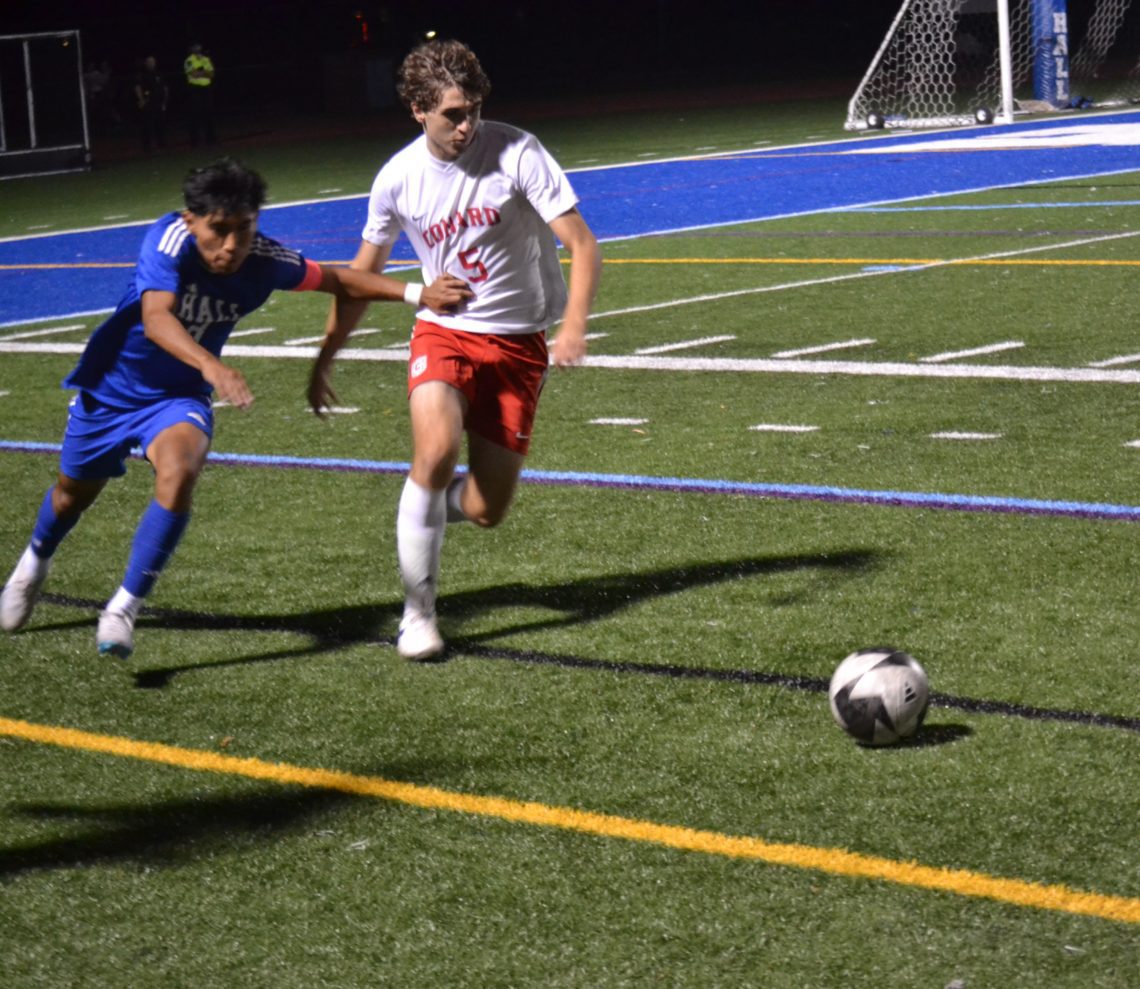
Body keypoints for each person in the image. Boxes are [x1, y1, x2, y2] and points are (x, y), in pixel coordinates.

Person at [0, 158, 471, 659]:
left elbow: (338, 279)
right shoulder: (168, 240)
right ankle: (33, 565)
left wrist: (419, 292)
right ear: (190, 221)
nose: (230, 246)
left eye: (242, 230)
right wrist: (213, 367)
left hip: (177, 399)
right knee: (72, 495)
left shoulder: (263, 259)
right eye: (218, 230)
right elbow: (156, 319)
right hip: (113, 389)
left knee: (180, 471)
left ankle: (123, 607)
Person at [307, 39, 601, 661]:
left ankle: (424, 509)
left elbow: (581, 241)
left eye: (472, 109)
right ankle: (417, 615)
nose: (467, 124)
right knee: (435, 450)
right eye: (452, 114)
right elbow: (360, 275)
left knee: (488, 509)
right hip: (444, 333)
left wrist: (572, 324)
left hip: (519, 345)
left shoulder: (517, 149)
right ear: (417, 110)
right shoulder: (396, 179)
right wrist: (327, 354)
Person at [183, 43, 218, 146]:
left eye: (199, 46)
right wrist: (205, 72)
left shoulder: (206, 59)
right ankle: (195, 141)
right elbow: (193, 74)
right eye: (195, 46)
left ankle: (210, 139)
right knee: (195, 114)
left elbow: (212, 74)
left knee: (209, 113)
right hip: (195, 89)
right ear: (191, 49)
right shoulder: (189, 60)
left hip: (206, 89)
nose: (198, 48)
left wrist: (200, 72)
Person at [134, 55, 168, 152]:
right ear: (145, 63)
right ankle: (146, 146)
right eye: (149, 61)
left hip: (159, 102)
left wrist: (165, 101)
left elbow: (165, 88)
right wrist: (141, 99)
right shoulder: (142, 74)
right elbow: (137, 87)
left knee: (160, 123)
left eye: (153, 61)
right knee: (147, 124)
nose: (151, 63)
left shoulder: (159, 74)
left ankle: (161, 144)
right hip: (148, 102)